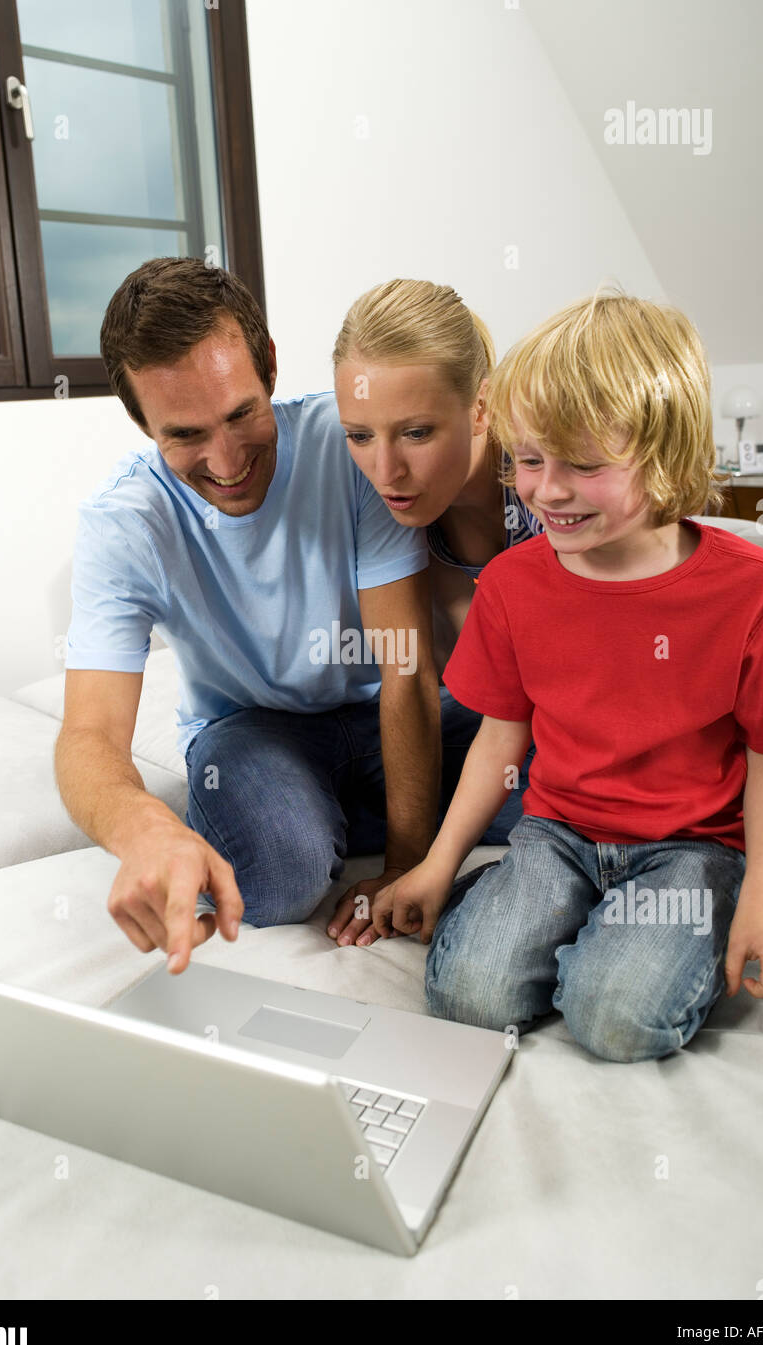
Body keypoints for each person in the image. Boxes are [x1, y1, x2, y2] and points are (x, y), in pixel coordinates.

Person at [368, 289, 763, 1061]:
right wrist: (437, 863)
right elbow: (499, 740)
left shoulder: (750, 589)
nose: (547, 491)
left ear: (665, 455)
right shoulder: (514, 585)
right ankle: (514, 909)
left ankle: (676, 929)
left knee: (615, 1019)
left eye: (583, 465)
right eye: (527, 460)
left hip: (693, 848)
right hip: (556, 834)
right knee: (468, 997)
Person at [53, 259, 506, 971]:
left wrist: (407, 862)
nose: (228, 459)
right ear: (141, 423)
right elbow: (87, 736)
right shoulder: (125, 524)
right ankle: (299, 809)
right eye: (185, 435)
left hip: (400, 711)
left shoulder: (352, 441)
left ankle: (344, 812)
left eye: (241, 414)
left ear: (268, 365)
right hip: (256, 732)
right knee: (280, 877)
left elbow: (406, 672)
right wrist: (141, 825)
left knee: (573, 789)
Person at [328, 278, 540, 945]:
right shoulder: (386, 507)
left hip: (563, 732)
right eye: (360, 436)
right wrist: (403, 863)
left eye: (416, 433)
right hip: (470, 725)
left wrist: (424, 856)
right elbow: (408, 677)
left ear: (480, 409)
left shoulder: (550, 491)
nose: (385, 469)